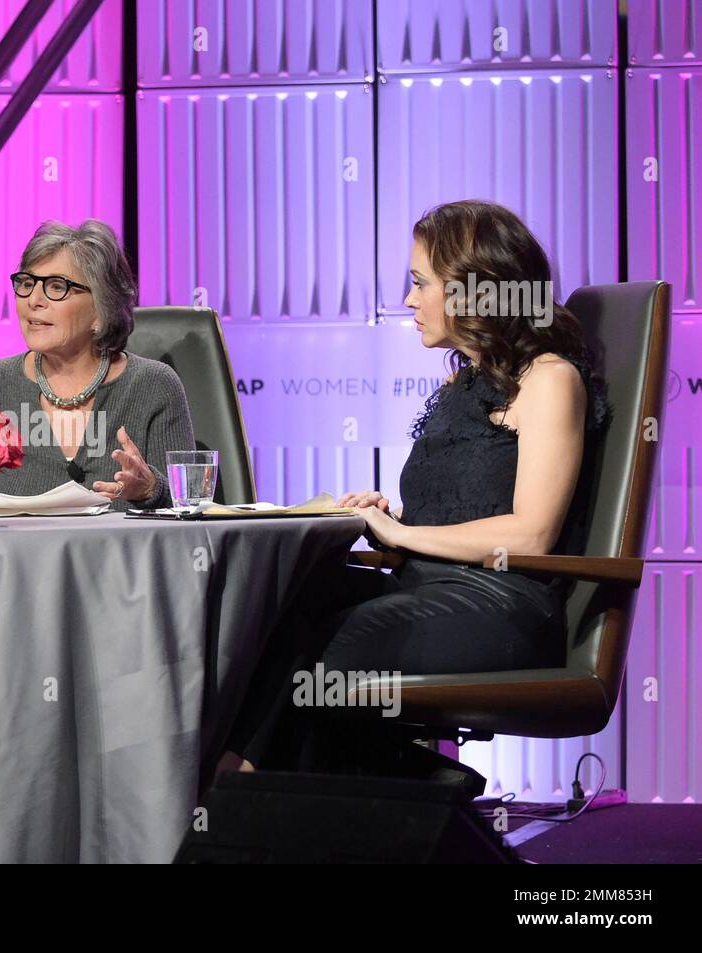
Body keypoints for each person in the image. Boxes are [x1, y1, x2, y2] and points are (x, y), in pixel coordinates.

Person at [220, 200, 611, 774]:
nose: (408, 301)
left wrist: (402, 531)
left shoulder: (550, 380)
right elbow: (466, 507)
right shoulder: (465, 382)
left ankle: (254, 796)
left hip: (500, 608)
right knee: (278, 605)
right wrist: (389, 515)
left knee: (323, 657)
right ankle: (388, 792)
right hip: (421, 588)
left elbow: (530, 533)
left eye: (420, 283)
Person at [0, 219, 194, 509]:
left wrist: (150, 489)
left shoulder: (154, 386)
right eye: (26, 283)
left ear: (102, 308)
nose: (34, 300)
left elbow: (188, 511)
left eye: (56, 286)